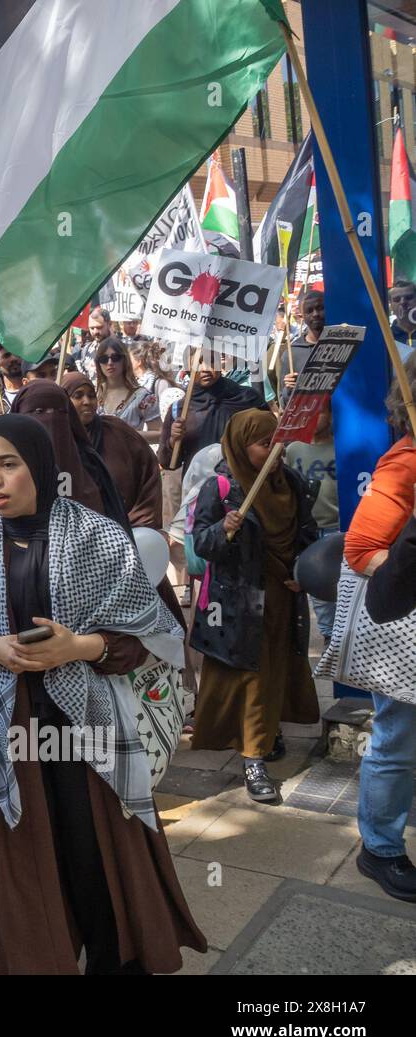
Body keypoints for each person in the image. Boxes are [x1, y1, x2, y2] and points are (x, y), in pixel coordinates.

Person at [0, 414, 204, 974]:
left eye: (9, 464)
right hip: (11, 732)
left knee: (96, 858)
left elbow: (149, 638)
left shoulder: (98, 538)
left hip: (88, 733)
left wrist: (78, 647)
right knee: (33, 861)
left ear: (38, 466)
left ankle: (112, 959)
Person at [189, 410, 319, 803]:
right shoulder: (222, 488)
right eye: (265, 445)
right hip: (241, 602)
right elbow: (202, 545)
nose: (275, 452)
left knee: (279, 666)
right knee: (252, 677)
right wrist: (224, 529)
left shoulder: (292, 482)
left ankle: (267, 732)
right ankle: (253, 759)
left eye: (279, 443)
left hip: (284, 595)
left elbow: (307, 533)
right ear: (242, 447)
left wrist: (304, 568)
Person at [341, 357, 416, 902]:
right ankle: (381, 848)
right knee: (398, 740)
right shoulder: (406, 462)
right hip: (404, 632)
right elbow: (360, 550)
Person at [10, 380, 131, 530]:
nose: (51, 419)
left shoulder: (91, 466)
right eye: (39, 412)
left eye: (60, 412)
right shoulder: (2, 469)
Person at [63, 373, 163, 529]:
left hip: (127, 531)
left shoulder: (116, 430)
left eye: (91, 396)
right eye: (78, 396)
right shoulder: (58, 440)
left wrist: (140, 520)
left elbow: (148, 470)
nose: (87, 402)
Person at [285, 402, 339, 641]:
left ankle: (339, 638)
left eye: (321, 412)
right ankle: (329, 637)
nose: (315, 418)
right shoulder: (294, 449)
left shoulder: (341, 447)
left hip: (337, 528)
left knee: (338, 587)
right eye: (311, 412)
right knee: (319, 591)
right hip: (308, 530)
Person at [158, 362, 265, 474]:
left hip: (244, 483)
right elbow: (168, 463)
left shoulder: (247, 399)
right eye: (197, 363)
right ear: (188, 367)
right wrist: (174, 440)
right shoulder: (179, 409)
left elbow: (268, 441)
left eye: (212, 361)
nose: (205, 369)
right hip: (199, 485)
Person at [93, 337, 160, 441]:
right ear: (98, 363)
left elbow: (159, 434)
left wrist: (127, 435)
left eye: (115, 357)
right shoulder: (93, 394)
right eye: (104, 359)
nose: (110, 362)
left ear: (125, 360)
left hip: (129, 456)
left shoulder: (144, 396)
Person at [278, 289, 324, 401]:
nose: (316, 314)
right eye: (309, 311)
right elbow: (283, 404)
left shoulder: (340, 342)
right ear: (302, 316)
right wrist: (289, 390)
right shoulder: (291, 354)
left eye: (320, 308)